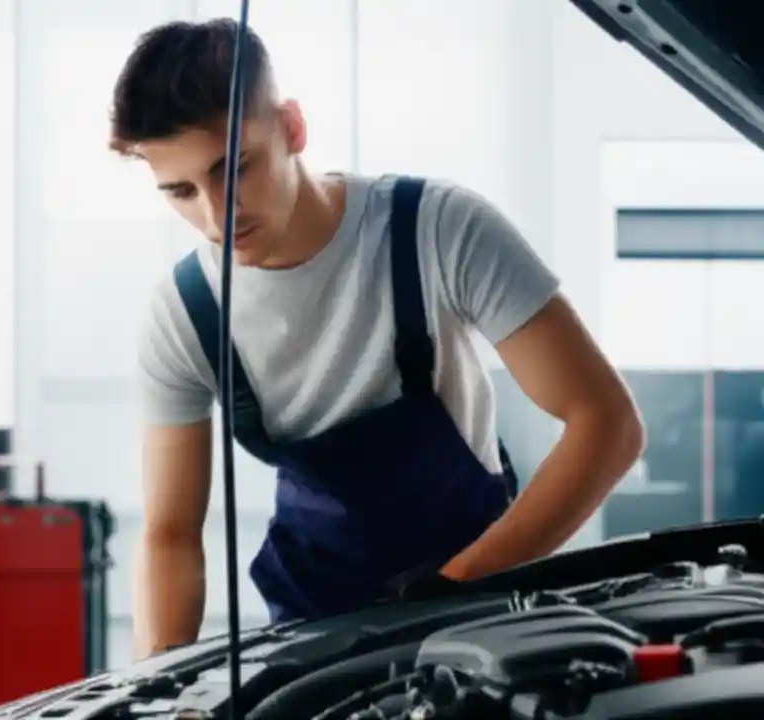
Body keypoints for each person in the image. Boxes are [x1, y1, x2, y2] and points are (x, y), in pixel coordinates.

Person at [109, 19, 646, 659]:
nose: (214, 213)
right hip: (313, 639)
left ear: (292, 128)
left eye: (236, 168)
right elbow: (170, 536)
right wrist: (161, 688)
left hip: (479, 610)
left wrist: (447, 594)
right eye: (180, 191)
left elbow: (607, 424)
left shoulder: (438, 231)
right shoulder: (184, 315)